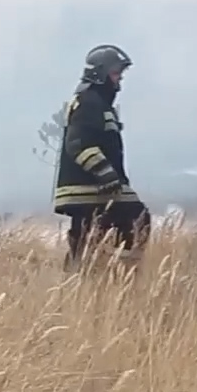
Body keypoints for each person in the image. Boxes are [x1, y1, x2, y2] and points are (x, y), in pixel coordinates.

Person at [53, 44, 152, 272]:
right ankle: (121, 275)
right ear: (100, 74)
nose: (119, 80)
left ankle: (88, 272)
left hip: (96, 188)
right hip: (89, 188)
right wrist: (105, 172)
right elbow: (78, 144)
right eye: (116, 73)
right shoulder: (89, 102)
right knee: (137, 218)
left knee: (89, 233)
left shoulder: (97, 104)